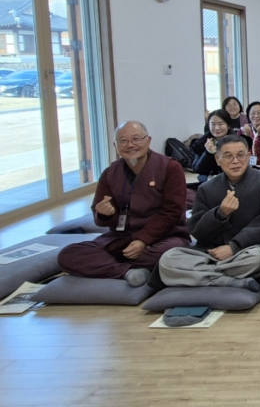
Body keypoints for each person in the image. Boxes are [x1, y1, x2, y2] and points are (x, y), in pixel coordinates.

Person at [57, 121, 190, 287]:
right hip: (122, 237)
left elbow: (172, 212)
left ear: (148, 140)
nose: (130, 145)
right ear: (115, 145)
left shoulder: (170, 167)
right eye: (123, 141)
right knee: (68, 254)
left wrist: (143, 241)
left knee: (168, 254)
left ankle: (111, 266)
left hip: (164, 237)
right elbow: (101, 217)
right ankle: (128, 272)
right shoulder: (110, 173)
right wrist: (105, 214)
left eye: (136, 139)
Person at [156, 134, 260, 291]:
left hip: (249, 249)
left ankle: (205, 276)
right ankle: (226, 280)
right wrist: (219, 213)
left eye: (240, 155)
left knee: (257, 257)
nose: (235, 161)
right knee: (168, 259)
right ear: (217, 159)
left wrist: (234, 246)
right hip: (213, 252)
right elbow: (197, 231)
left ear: (249, 156)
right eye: (228, 156)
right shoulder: (207, 188)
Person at [193, 110, 251, 180]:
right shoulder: (202, 143)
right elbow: (198, 169)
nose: (217, 128)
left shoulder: (237, 142)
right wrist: (208, 153)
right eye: (213, 124)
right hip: (210, 180)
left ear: (228, 125)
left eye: (221, 124)